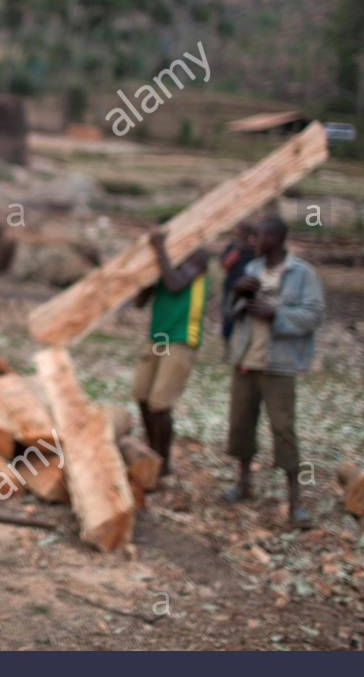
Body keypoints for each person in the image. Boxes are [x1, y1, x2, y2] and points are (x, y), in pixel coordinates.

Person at [221, 214, 325, 525]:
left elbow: (314, 315)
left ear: (275, 239)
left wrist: (275, 313)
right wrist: (238, 295)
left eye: (258, 237)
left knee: (282, 428)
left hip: (278, 366)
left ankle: (295, 503)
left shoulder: (302, 274)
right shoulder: (251, 270)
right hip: (246, 361)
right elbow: (232, 313)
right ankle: (243, 484)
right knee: (240, 424)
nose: (252, 242)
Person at [131, 229, 209, 478]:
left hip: (181, 337)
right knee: (142, 395)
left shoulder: (198, 256)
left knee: (160, 404)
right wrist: (145, 274)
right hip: (157, 335)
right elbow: (140, 302)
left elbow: (175, 284)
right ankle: (152, 453)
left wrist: (159, 251)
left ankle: (163, 463)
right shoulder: (161, 260)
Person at [219, 220, 256, 354]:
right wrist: (238, 249)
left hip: (250, 290)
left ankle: (243, 349)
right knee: (228, 316)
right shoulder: (233, 248)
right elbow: (225, 264)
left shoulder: (254, 249)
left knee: (247, 318)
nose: (243, 234)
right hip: (231, 287)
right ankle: (226, 349)